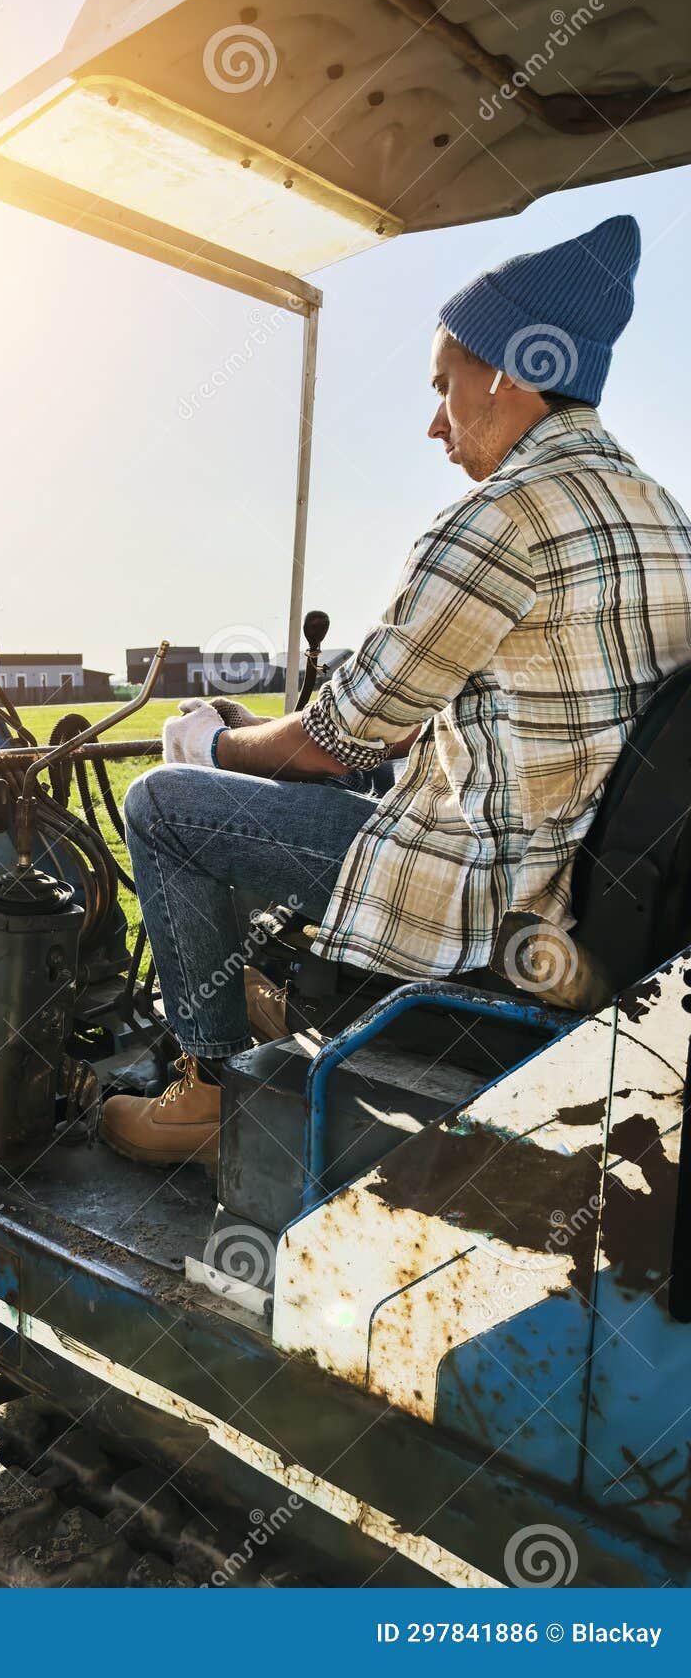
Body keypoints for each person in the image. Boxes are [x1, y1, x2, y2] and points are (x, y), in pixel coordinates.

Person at [102, 214, 691, 1168]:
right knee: (324, 784)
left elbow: (341, 738)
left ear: (507, 371)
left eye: (444, 386)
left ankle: (208, 1090)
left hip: (490, 893)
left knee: (164, 807)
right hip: (599, 879)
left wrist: (213, 743)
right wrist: (274, 737)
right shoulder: (664, 516)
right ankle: (268, 993)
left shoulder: (502, 517)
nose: (434, 420)